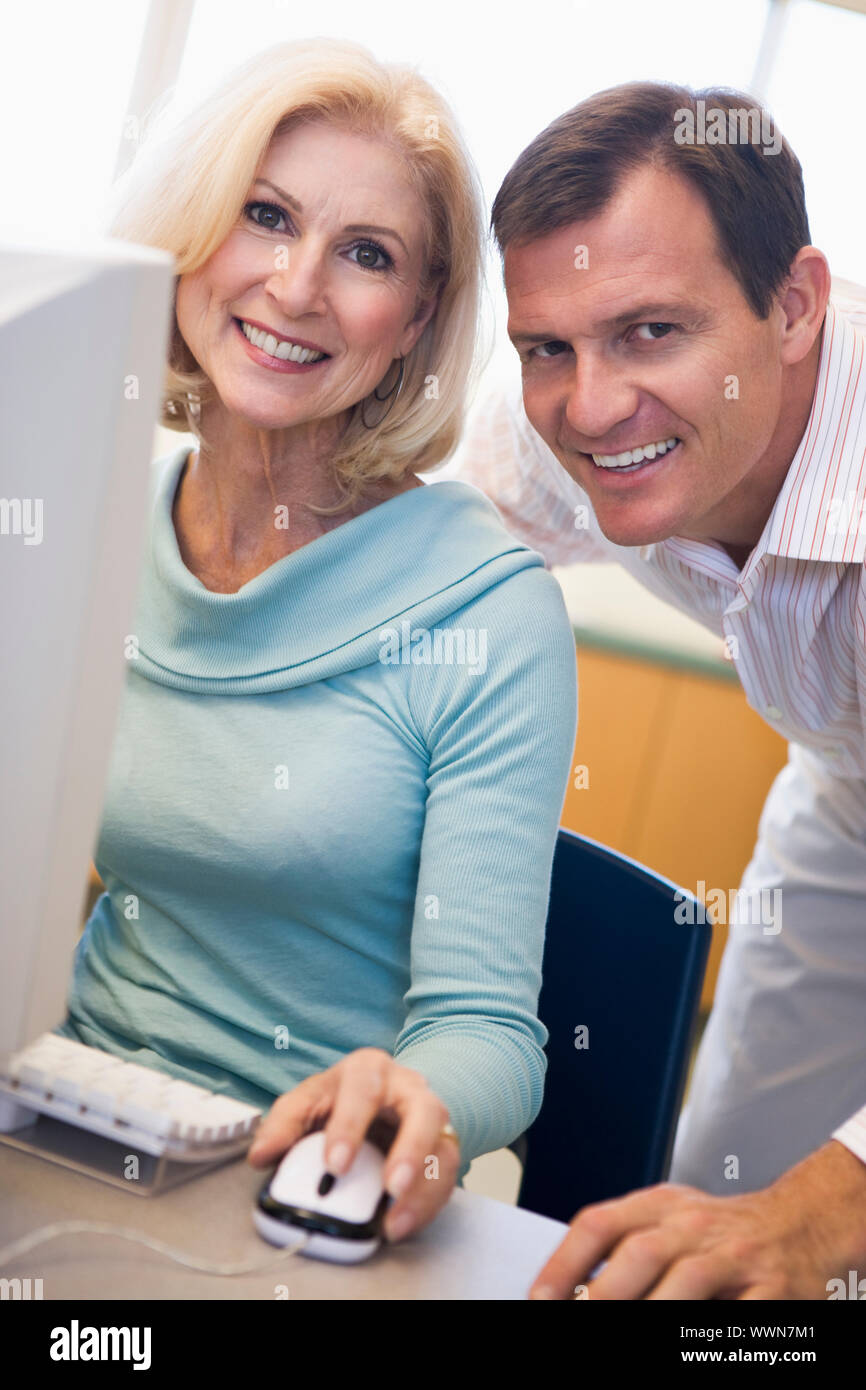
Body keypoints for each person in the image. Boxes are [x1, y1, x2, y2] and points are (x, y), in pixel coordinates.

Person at [56, 39, 577, 1247]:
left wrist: (418, 1100)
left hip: (296, 1191)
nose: (295, 286)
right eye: (265, 216)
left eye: (365, 255)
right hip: (72, 1121)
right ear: (192, 234)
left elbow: (489, 1030)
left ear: (414, 321)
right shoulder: (84, 525)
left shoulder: (487, 608)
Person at [453, 82, 866, 1299]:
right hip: (847, 795)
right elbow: (414, 601)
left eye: (650, 332)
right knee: (727, 1190)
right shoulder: (554, 426)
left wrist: (822, 1211)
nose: (588, 405)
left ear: (792, 307)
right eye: (549, 346)